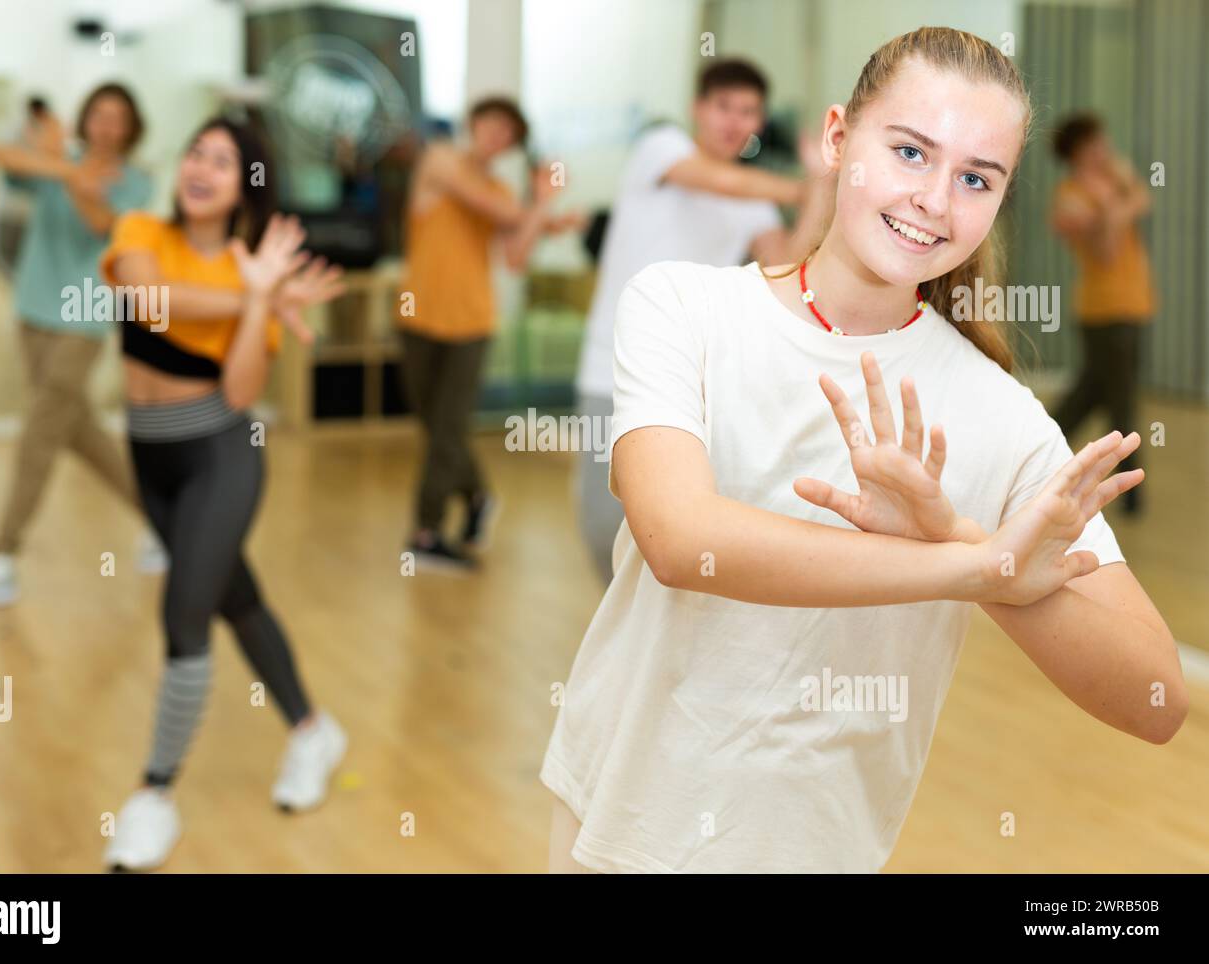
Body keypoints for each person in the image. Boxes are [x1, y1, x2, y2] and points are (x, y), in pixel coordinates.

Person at [541, 27, 1186, 874]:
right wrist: (980, 566)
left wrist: (950, 532)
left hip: (815, 850)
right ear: (838, 138)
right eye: (911, 152)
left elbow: (1156, 697)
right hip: (616, 825)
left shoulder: (1003, 414)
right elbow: (679, 539)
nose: (934, 199)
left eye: (975, 178)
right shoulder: (681, 307)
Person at [98, 118, 347, 871]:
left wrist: (257, 303)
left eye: (224, 161)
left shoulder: (254, 277)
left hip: (220, 455)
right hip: (150, 454)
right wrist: (254, 297)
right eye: (196, 151)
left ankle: (153, 796)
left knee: (185, 613)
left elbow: (240, 391)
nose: (202, 167)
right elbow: (147, 301)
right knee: (236, 598)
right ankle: (313, 731)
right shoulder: (142, 228)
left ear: (247, 187)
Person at [574, 59, 833, 584]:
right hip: (612, 367)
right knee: (603, 526)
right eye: (724, 107)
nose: (735, 122)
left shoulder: (754, 200)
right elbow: (714, 180)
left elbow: (786, 267)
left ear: (760, 122)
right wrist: (799, 189)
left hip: (696, 380)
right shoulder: (663, 147)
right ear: (699, 109)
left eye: (749, 111)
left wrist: (822, 186)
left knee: (678, 522)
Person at [0, 83, 156, 607]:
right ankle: (160, 517)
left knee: (41, 427)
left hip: (85, 313)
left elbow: (98, 222)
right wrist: (61, 164)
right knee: (74, 426)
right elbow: (1, 155)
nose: (105, 126)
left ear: (130, 128)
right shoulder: (59, 159)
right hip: (33, 304)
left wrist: (71, 173)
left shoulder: (137, 182)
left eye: (117, 118)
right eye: (97, 115)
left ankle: (3, 551)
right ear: (84, 119)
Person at [397, 95, 580, 569]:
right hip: (417, 316)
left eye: (508, 135)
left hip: (472, 322)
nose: (497, 138)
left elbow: (516, 256)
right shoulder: (440, 160)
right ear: (474, 123)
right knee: (434, 426)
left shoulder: (501, 191)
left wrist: (542, 210)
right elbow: (497, 213)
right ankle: (478, 495)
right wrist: (543, 210)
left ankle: (427, 530)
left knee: (448, 430)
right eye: (493, 126)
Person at [1048, 112, 1155, 515]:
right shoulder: (1071, 196)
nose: (1105, 148)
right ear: (1078, 152)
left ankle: (1042, 450)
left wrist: (1119, 198)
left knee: (1091, 393)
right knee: (1121, 402)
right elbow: (1107, 249)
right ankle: (1132, 493)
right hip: (1106, 312)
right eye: (1096, 142)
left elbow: (1145, 197)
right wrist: (1115, 204)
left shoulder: (1110, 185)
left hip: (1133, 305)